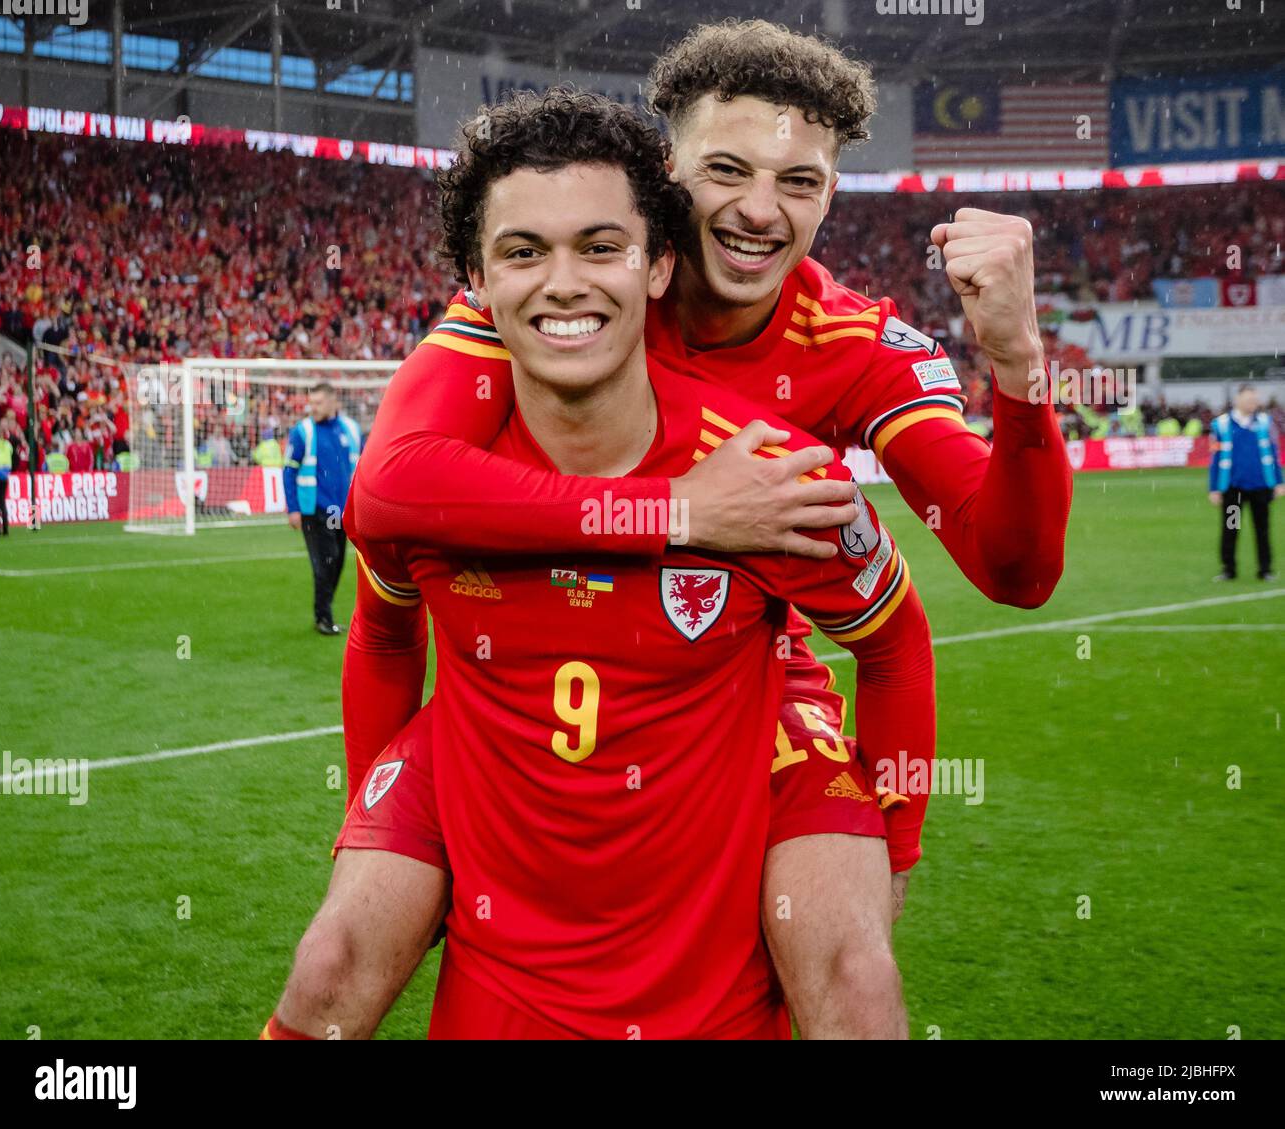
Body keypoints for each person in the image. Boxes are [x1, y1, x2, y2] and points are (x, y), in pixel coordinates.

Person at [343, 20, 1071, 1039]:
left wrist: (1017, 367)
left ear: (831, 194)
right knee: (338, 961)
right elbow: (389, 497)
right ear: (667, 167)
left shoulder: (856, 347)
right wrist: (680, 513)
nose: (758, 212)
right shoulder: (566, 290)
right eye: (726, 169)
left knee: (854, 979)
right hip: (511, 681)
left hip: (746, 683)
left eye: (801, 182)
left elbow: (1014, 568)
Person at [265, 91, 933, 1040]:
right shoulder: (432, 480)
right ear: (477, 278)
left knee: (859, 988)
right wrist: (375, 824)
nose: (563, 283)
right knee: (328, 965)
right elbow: (381, 626)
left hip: (720, 781)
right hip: (488, 765)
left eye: (601, 246)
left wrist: (897, 840)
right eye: (525, 251)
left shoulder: (768, 477)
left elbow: (899, 642)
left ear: (660, 265)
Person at [282, 382, 362, 634]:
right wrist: (293, 508)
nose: (313, 408)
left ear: (332, 402)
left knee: (336, 562)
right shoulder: (302, 431)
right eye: (311, 403)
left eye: (318, 403)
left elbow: (359, 469)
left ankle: (324, 613)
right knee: (324, 563)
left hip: (342, 511)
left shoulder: (350, 429)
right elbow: (289, 471)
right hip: (314, 510)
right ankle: (323, 618)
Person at [1210, 384, 1282, 581]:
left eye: (1255, 400)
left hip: (1260, 487)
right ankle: (1229, 569)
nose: (1254, 403)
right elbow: (1215, 459)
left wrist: (1279, 481)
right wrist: (1214, 488)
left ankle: (1265, 569)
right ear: (1238, 400)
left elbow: (1274, 454)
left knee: (1262, 530)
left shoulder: (1265, 423)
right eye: (1250, 400)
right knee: (1231, 529)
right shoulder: (1222, 425)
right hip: (1234, 489)